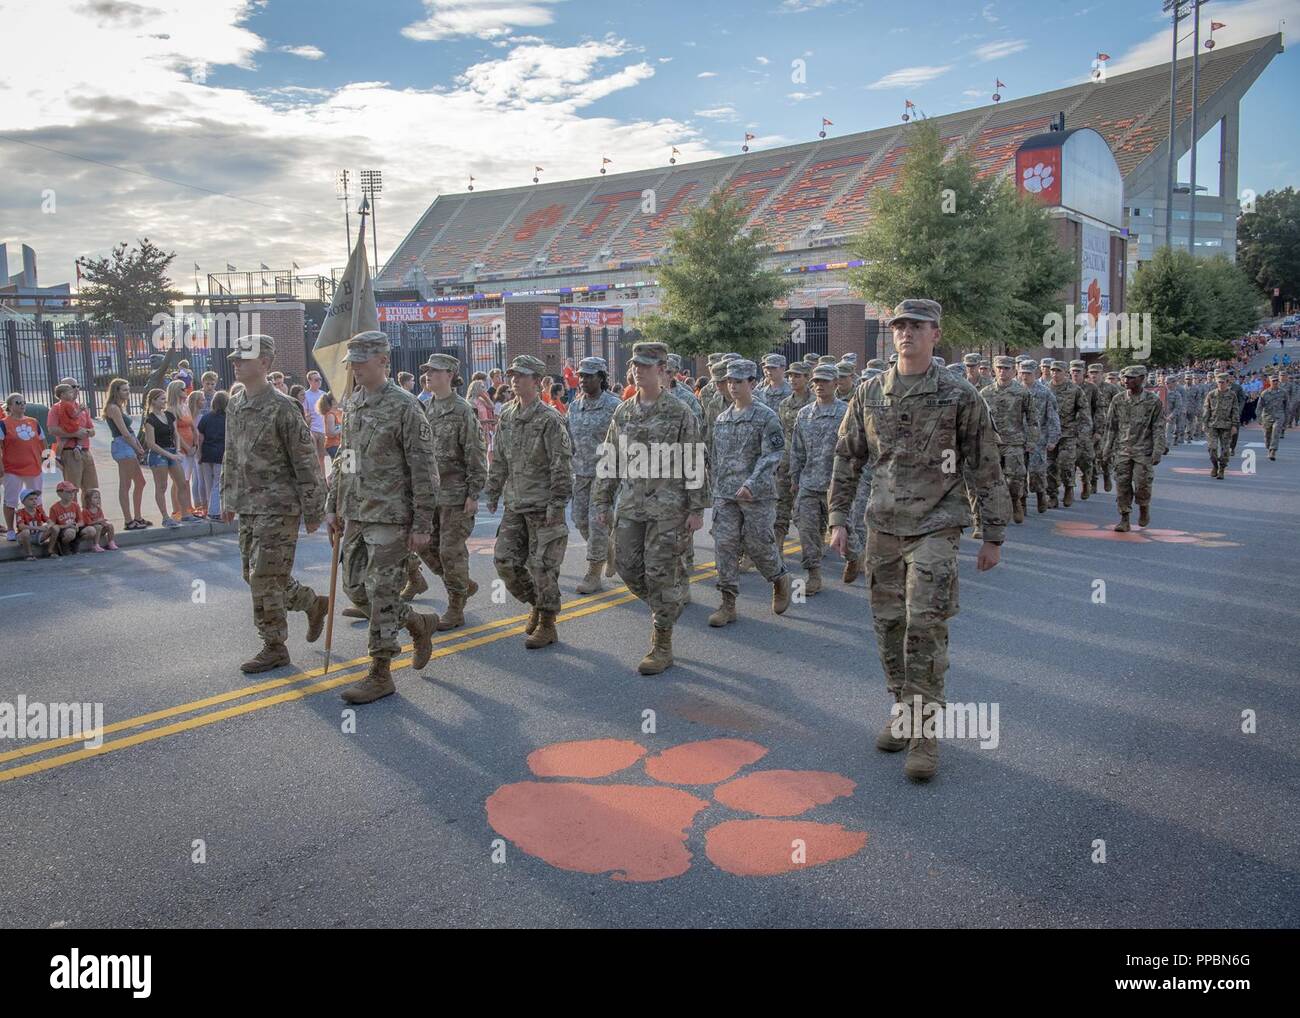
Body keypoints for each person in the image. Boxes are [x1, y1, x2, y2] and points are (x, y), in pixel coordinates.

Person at [828, 299, 1009, 783]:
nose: (906, 333)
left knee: (923, 626)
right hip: (883, 527)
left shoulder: (959, 395)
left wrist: (991, 533)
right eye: (899, 326)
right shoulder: (869, 393)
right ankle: (903, 710)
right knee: (888, 626)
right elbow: (848, 459)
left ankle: (925, 733)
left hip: (936, 526)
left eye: (917, 326)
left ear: (936, 333)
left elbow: (985, 466)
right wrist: (838, 517)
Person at [326, 331, 439, 703]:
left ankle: (380, 672)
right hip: (357, 512)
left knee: (381, 592)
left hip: (392, 517)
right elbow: (345, 458)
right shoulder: (355, 403)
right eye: (352, 362)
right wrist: (334, 505)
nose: (355, 368)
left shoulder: (405, 406)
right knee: (356, 588)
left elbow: (424, 469)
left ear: (383, 362)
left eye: (362, 361)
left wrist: (422, 524)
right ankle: (417, 622)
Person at [593, 341, 707, 674]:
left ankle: (662, 643)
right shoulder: (623, 411)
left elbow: (695, 460)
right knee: (627, 567)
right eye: (635, 365)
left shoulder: (679, 411)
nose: (638, 370)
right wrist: (602, 499)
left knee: (658, 573)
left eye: (645, 365)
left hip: (668, 509)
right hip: (631, 505)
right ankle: (668, 601)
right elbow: (610, 457)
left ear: (662, 370)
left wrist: (696, 509)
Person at [220, 334, 331, 674]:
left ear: (265, 363)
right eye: (235, 359)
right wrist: (228, 495)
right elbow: (231, 452)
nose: (236, 363)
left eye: (244, 359)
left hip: (279, 506)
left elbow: (306, 461)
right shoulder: (235, 402)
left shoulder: (283, 407)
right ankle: (312, 603)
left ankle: (274, 645)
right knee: (253, 574)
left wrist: (314, 509)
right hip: (248, 504)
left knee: (264, 577)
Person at [485, 354, 573, 649]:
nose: (514, 379)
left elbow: (561, 464)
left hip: (543, 505)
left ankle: (548, 623)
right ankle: (537, 601)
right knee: (504, 561)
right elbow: (499, 459)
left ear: (537, 382)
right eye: (512, 374)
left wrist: (557, 503)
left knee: (542, 566)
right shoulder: (507, 415)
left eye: (521, 375)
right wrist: (494, 491)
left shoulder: (549, 419)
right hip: (515, 503)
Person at [403, 352, 486, 630]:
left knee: (451, 552)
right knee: (425, 546)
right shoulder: (426, 408)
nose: (428, 375)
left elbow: (476, 454)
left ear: (449, 375)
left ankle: (455, 606)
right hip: (431, 496)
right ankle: (462, 583)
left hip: (456, 495)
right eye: (426, 371)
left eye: (435, 371)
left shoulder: (462, 410)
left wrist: (474, 494)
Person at [707, 358, 792, 627]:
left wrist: (752, 483)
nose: (732, 386)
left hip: (757, 494)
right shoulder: (722, 419)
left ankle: (779, 578)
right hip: (726, 495)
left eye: (738, 381)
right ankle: (728, 603)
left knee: (758, 545)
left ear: (752, 383)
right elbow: (716, 459)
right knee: (725, 545)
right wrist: (715, 492)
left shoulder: (766, 417)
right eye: (729, 381)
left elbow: (773, 454)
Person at [788, 363, 847, 593]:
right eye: (816, 381)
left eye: (824, 381)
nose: (819, 385)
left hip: (839, 486)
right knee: (807, 531)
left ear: (835, 383)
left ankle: (853, 558)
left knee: (849, 533)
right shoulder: (804, 414)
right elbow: (797, 450)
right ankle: (813, 574)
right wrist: (795, 478)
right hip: (810, 483)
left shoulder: (846, 412)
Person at [567, 356, 622, 595]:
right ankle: (608, 549)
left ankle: (593, 572)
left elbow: (625, 441)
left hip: (605, 474)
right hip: (581, 473)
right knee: (579, 519)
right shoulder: (574, 407)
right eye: (581, 376)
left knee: (596, 522)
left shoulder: (614, 405)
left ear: (601, 378)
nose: (583, 380)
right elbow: (569, 440)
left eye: (588, 376)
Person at [1102, 364, 1164, 531]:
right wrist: (1106, 449)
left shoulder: (1153, 401)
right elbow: (1111, 427)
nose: (1126, 380)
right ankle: (1124, 518)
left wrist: (1158, 450)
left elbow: (1158, 427)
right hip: (1122, 450)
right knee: (1122, 485)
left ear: (1142, 379)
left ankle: (1144, 507)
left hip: (1143, 451)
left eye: (1131, 377)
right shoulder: (1118, 400)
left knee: (1142, 484)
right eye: (1125, 377)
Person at [979, 356, 1037, 525]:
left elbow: (1033, 419)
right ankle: (994, 511)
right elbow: (980, 419)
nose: (1002, 371)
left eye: (1006, 368)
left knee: (1015, 478)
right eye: (999, 368)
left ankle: (1014, 501)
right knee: (991, 480)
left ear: (1014, 371)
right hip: (992, 442)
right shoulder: (986, 393)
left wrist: (1032, 441)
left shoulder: (1022, 393)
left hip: (1014, 442)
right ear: (994, 370)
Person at [100, 378, 150, 530]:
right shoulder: (113, 407)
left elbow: (130, 432)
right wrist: (137, 448)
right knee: (125, 484)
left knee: (140, 482)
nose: (128, 392)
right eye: (124, 390)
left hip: (128, 443)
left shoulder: (120, 406)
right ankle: (128, 520)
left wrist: (138, 445)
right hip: (123, 445)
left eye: (128, 389)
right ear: (116, 391)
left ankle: (137, 516)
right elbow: (124, 433)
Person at [142, 388, 196, 527]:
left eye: (165, 398)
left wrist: (177, 450)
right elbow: (151, 443)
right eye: (161, 399)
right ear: (153, 401)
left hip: (172, 451)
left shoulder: (169, 415)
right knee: (162, 486)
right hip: (158, 454)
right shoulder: (150, 419)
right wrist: (169, 454)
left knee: (182, 483)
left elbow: (176, 434)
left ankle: (185, 514)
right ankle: (165, 517)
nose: (164, 401)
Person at [774, 361, 813, 547]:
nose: (792, 379)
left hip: (810, 463)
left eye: (797, 376)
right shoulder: (784, 404)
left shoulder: (815, 403)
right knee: (781, 504)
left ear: (807, 378)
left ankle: (815, 543)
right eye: (790, 375)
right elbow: (781, 432)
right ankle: (778, 545)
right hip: (786, 461)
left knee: (807, 509)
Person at [1, 393, 48, 541]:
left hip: (33, 467)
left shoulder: (33, 422)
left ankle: (38, 526)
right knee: (11, 500)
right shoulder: (3, 424)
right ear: (10, 406)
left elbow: (43, 442)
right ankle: (10, 529)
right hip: (12, 468)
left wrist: (46, 461)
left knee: (36, 499)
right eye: (17, 402)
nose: (22, 405)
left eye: (23, 402)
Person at [1017, 360, 1060, 514]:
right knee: (1019, 473)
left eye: (1028, 373)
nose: (1025, 376)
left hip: (1038, 439)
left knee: (1036, 471)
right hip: (1018, 439)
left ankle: (1041, 493)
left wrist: (1053, 439)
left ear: (1035, 373)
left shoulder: (1044, 392)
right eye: (1023, 373)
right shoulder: (1015, 390)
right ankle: (1021, 503)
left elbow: (1053, 416)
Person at [1047, 360, 1088, 508]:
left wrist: (1082, 434)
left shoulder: (1074, 390)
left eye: (1058, 371)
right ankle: (1052, 495)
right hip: (1050, 434)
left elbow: (1084, 413)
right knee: (1049, 466)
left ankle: (1069, 488)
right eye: (1053, 371)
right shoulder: (1045, 389)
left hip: (1068, 433)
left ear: (1066, 373)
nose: (1055, 374)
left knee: (1066, 463)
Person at [48, 382, 98, 495]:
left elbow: (92, 429)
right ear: (62, 393)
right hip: (70, 452)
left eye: (77, 386)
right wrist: (75, 434)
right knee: (72, 489)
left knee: (91, 489)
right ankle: (74, 511)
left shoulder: (82, 408)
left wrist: (87, 432)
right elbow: (52, 429)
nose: (76, 389)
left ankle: (89, 512)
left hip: (85, 451)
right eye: (72, 387)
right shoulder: (57, 408)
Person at [1202, 371, 1240, 480]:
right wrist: (1204, 423)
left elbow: (1235, 410)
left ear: (1227, 382)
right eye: (1218, 382)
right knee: (1212, 448)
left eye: (1223, 382)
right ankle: (1215, 466)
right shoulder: (1211, 394)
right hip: (1213, 425)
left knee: (1225, 450)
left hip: (1226, 426)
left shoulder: (1232, 395)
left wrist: (1234, 425)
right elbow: (1206, 409)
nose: (1220, 384)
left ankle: (1222, 469)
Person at [197, 390, 228, 517]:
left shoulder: (206, 417)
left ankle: (210, 507)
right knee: (218, 484)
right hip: (220, 454)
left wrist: (199, 454)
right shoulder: (227, 419)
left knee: (208, 483)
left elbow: (200, 438)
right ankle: (214, 511)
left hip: (206, 454)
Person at [48, 480, 93, 554]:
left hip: (75, 528)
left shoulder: (75, 505)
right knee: (70, 533)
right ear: (60, 494)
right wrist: (66, 526)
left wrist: (77, 525)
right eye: (68, 492)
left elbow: (81, 521)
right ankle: (63, 544)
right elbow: (53, 525)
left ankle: (75, 543)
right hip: (64, 531)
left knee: (91, 530)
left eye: (73, 492)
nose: (72, 494)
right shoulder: (54, 508)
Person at [15, 488, 57, 559]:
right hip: (25, 537)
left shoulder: (39, 510)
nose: (34, 501)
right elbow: (21, 526)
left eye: (36, 499)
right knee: (26, 532)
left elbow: (51, 521)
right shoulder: (20, 512)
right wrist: (39, 528)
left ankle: (50, 551)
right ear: (23, 502)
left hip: (38, 535)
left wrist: (47, 526)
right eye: (31, 499)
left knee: (55, 528)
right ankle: (29, 555)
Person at [1257, 370, 1290, 460]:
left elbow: (1287, 407)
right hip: (1267, 417)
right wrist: (1259, 418)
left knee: (1276, 431)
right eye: (1273, 381)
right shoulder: (1264, 393)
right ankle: (1269, 448)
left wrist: (1287, 420)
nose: (1275, 382)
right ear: (1270, 382)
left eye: (1276, 381)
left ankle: (1273, 451)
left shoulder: (1283, 393)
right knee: (1267, 436)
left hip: (1279, 416)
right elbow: (1259, 407)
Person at [303, 370, 328, 474]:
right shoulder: (305, 395)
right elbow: (305, 413)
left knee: (322, 457)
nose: (319, 382)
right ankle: (316, 478)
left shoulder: (324, 394)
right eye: (316, 380)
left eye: (320, 379)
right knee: (314, 456)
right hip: (312, 429)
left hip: (322, 429)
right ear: (309, 381)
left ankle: (323, 478)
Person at [318, 391, 342, 465]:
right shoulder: (330, 414)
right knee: (337, 470)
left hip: (340, 444)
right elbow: (330, 433)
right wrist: (343, 427)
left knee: (345, 470)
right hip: (333, 446)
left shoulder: (339, 412)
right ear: (333, 401)